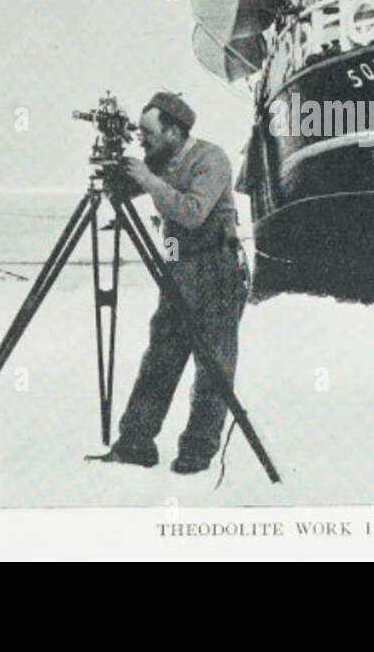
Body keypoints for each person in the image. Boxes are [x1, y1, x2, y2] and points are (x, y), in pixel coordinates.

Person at [103, 91, 247, 475]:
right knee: (160, 358)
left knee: (213, 365)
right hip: (179, 271)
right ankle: (135, 442)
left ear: (173, 131)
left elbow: (192, 213)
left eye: (148, 133)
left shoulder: (211, 159)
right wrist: (116, 171)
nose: (142, 140)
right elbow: (123, 190)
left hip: (218, 270)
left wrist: (148, 180)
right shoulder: (161, 160)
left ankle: (198, 451)